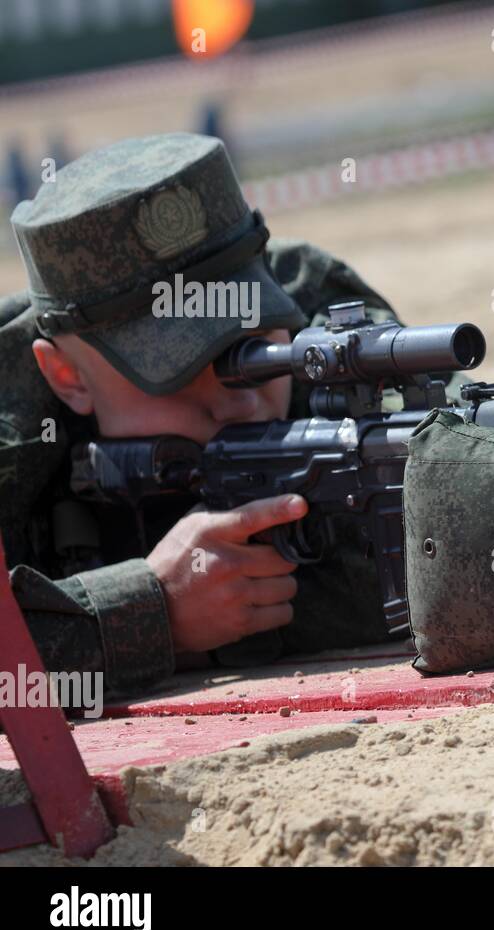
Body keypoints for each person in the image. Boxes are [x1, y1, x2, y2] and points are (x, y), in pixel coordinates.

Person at [0, 132, 405, 697]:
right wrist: (149, 611)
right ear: (66, 377)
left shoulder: (322, 316)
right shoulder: (10, 426)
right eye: (180, 368)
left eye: (258, 347)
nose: (238, 396)